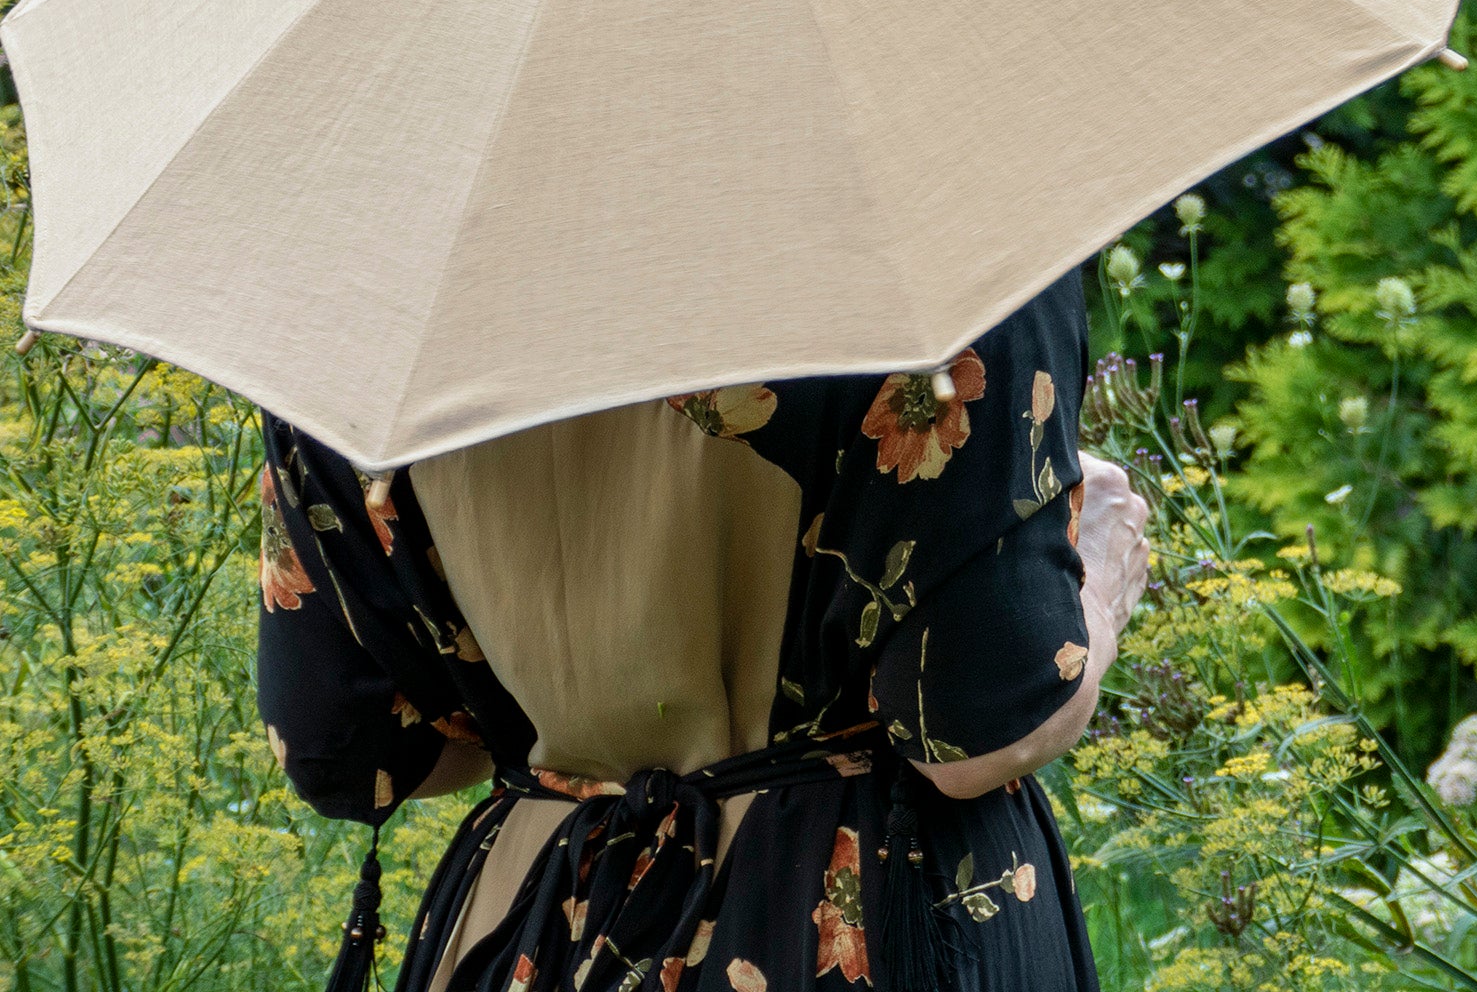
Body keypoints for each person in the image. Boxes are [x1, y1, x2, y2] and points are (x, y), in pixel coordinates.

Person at [254, 271, 1150, 992]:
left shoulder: (359, 267)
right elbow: (977, 727)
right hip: (841, 912)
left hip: (533, 932)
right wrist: (1100, 582)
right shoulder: (935, 212)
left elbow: (350, 747)